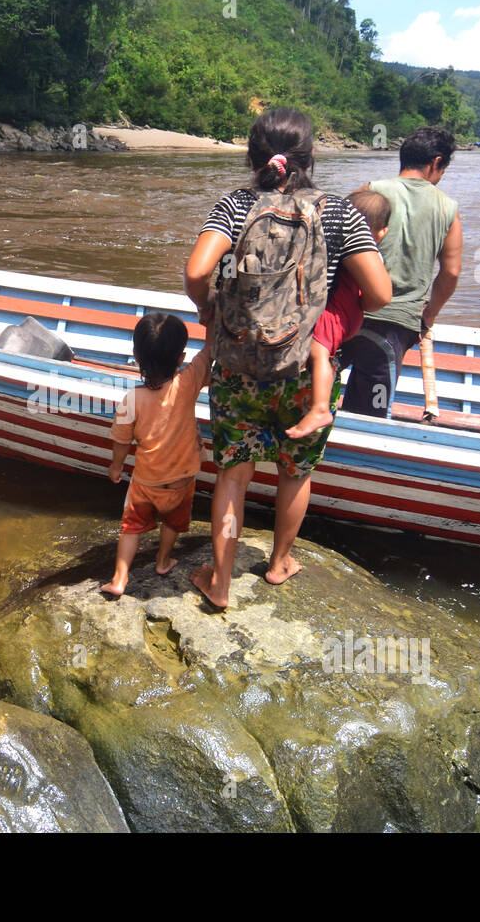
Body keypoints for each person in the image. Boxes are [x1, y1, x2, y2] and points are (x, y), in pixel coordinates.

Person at [183, 107, 392, 611]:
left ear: (253, 155)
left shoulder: (235, 204)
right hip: (305, 368)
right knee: (294, 471)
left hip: (237, 365)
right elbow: (381, 294)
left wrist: (207, 307)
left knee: (233, 473)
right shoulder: (340, 212)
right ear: (310, 157)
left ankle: (221, 584)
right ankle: (279, 563)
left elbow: (196, 270)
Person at [340, 127, 463, 418]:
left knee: (316, 379)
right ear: (435, 162)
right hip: (396, 325)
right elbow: (451, 273)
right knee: (371, 409)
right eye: (442, 169)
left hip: (345, 314)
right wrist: (429, 314)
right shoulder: (448, 208)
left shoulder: (368, 191)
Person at [101, 311, 213, 597]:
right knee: (173, 523)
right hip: (182, 480)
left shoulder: (132, 399)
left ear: (136, 355)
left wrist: (116, 468)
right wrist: (212, 317)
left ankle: (119, 578)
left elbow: (121, 441)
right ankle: (163, 561)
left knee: (131, 527)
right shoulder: (188, 383)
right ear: (180, 358)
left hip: (146, 483)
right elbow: (210, 351)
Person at [286, 189, 393, 440]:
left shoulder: (356, 248)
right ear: (382, 232)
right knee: (322, 352)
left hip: (335, 313)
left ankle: (320, 408)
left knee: (318, 353)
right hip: (350, 313)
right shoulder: (373, 255)